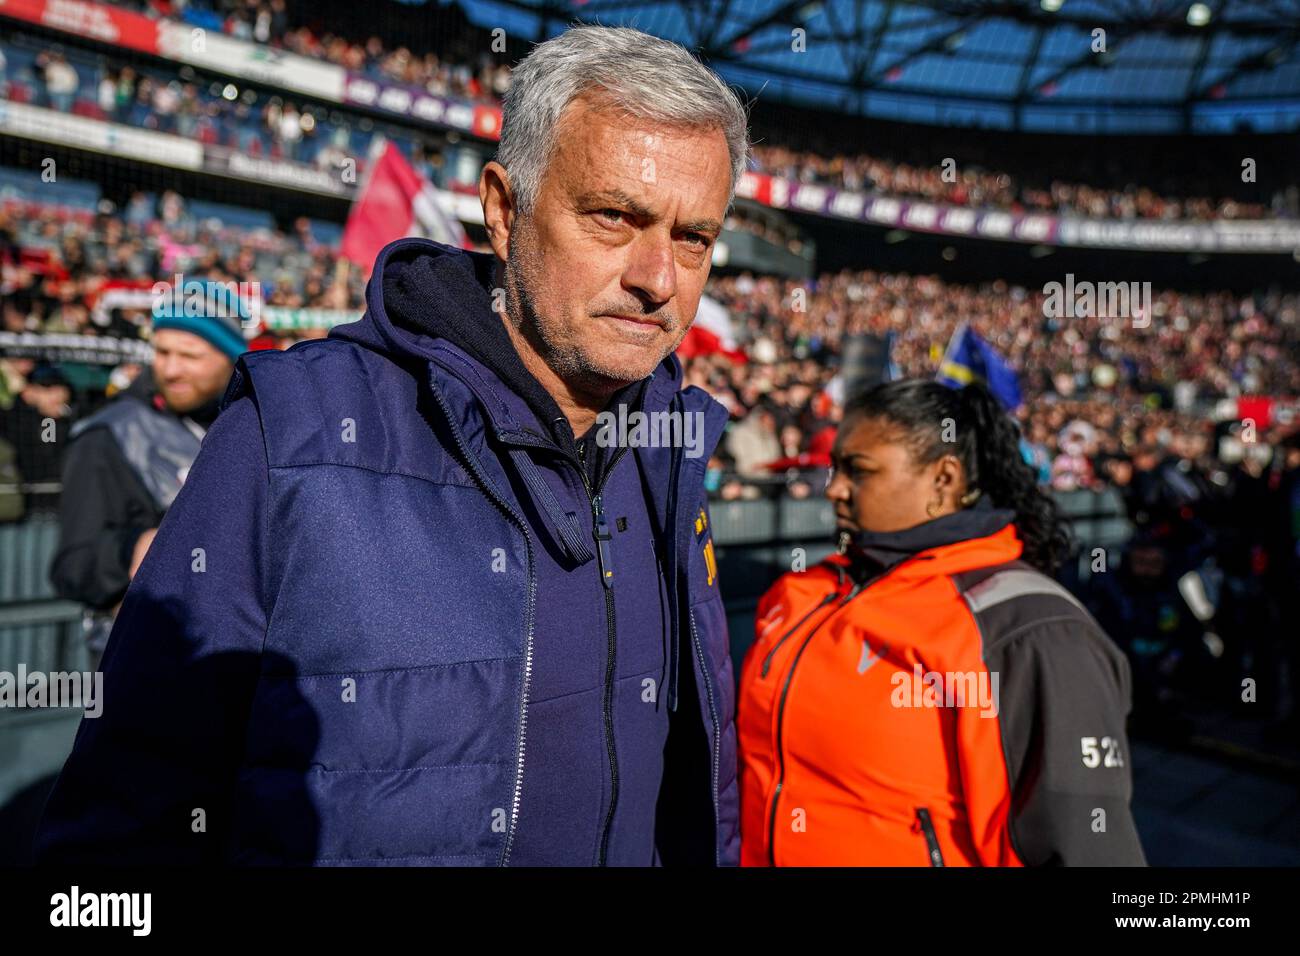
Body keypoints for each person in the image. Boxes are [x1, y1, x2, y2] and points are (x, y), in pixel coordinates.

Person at [37, 25, 748, 867]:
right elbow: (123, 820)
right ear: (503, 207)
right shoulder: (292, 429)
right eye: (612, 217)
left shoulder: (674, 450)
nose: (658, 278)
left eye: (693, 238)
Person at [737, 379, 1146, 866]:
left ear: (944, 480)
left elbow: (1086, 851)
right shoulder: (802, 592)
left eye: (858, 471)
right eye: (834, 468)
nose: (835, 490)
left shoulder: (1029, 629)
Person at [48, 283, 245, 671]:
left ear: (230, 359)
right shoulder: (107, 435)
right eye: (162, 352)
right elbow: (72, 567)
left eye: (190, 356)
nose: (171, 369)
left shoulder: (253, 427)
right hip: (139, 667)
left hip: (236, 661)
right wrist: (130, 550)